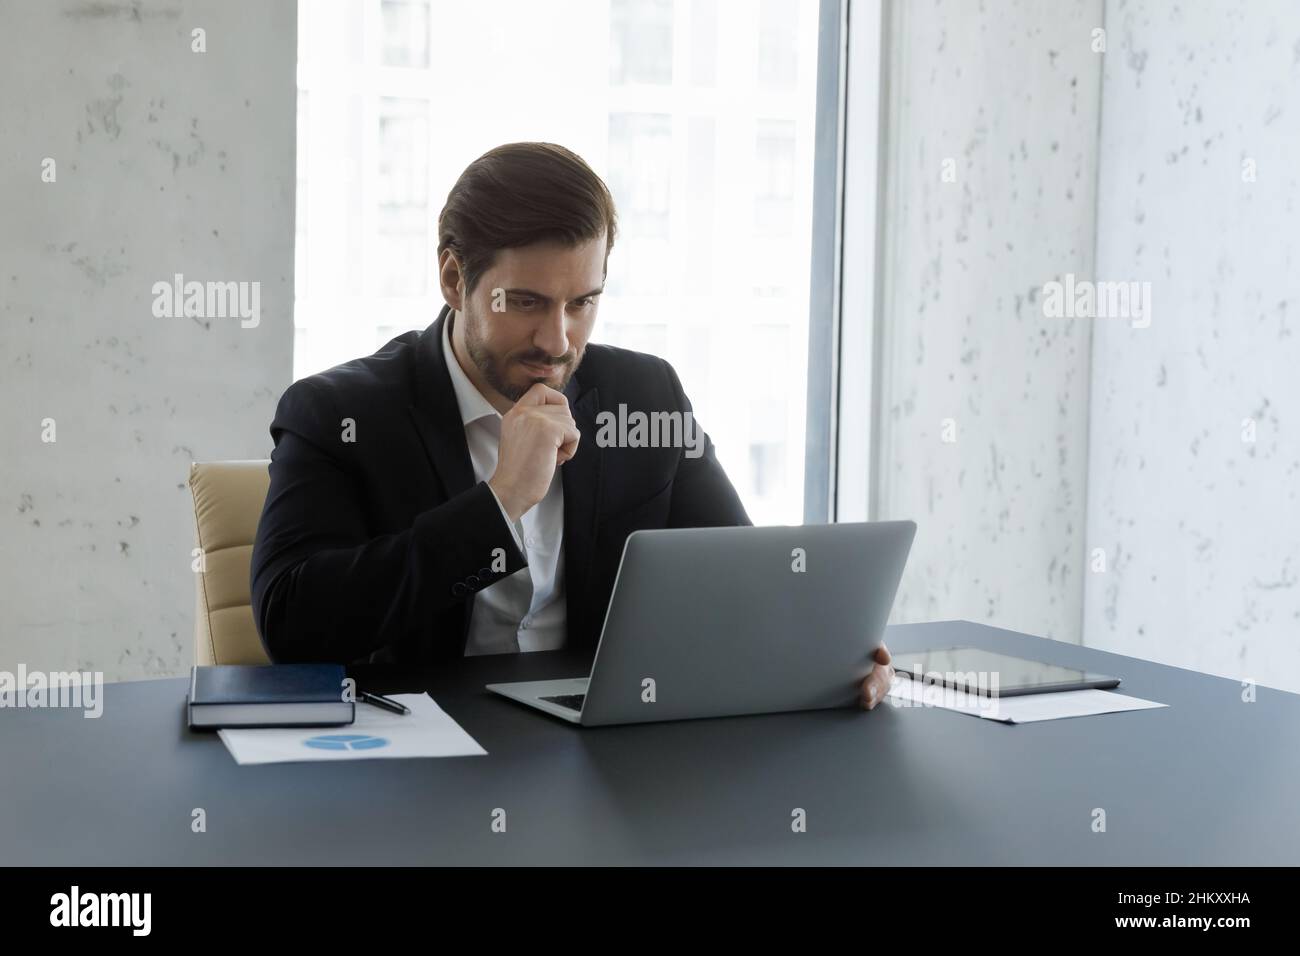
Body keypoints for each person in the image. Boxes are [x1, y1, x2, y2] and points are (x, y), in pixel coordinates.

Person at [250, 142, 894, 710]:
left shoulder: (645, 396)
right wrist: (501, 504)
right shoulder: (338, 414)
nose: (557, 341)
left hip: (600, 748)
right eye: (526, 302)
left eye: (582, 304)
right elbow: (293, 627)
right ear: (454, 278)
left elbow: (742, 580)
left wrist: (826, 651)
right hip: (420, 757)